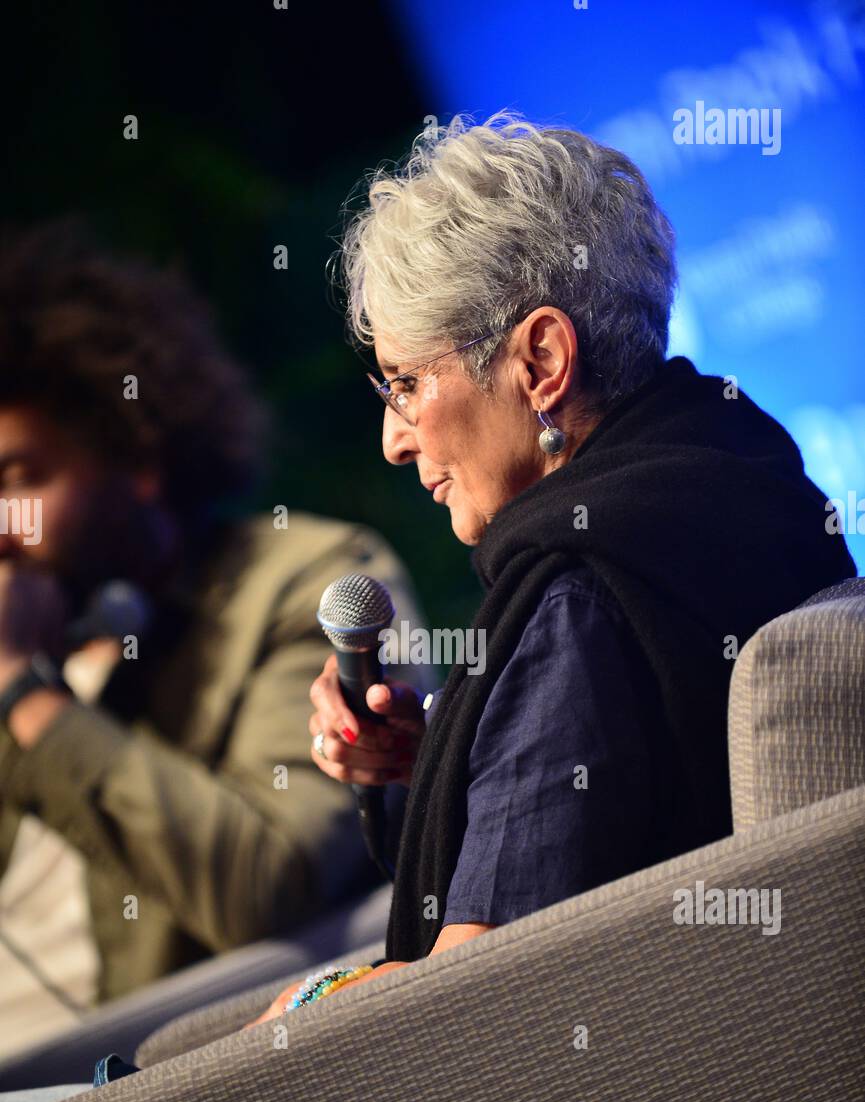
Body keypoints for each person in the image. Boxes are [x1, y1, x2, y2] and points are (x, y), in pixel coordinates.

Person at [251, 109, 855, 1022]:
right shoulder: (738, 474)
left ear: (539, 359)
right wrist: (451, 753)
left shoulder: (578, 599)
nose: (392, 439)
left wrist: (306, 1000)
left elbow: (464, 1007)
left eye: (408, 383)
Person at [0, 221, 425, 1060]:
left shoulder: (305, 581)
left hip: (117, 1067)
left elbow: (270, 883)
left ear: (134, 457)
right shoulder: (50, 626)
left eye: (19, 481)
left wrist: (25, 694)